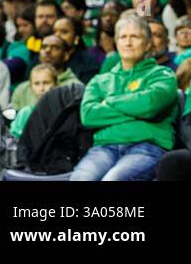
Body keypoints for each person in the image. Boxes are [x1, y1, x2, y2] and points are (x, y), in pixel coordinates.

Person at [71, 10, 179, 181]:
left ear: (148, 44)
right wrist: (134, 110)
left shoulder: (163, 75)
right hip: (104, 148)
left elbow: (150, 105)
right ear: (116, 42)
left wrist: (110, 102)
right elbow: (89, 115)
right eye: (123, 37)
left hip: (147, 147)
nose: (128, 42)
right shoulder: (100, 80)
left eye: (135, 37)